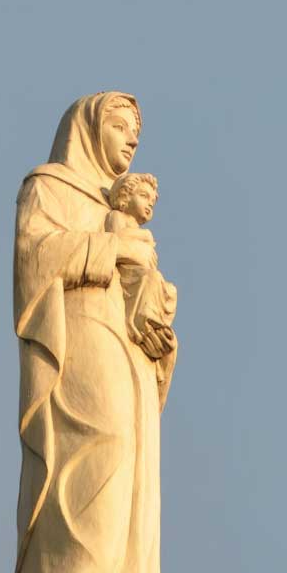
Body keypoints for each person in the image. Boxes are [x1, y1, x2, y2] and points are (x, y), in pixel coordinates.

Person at [13, 93, 177, 573]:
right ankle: (79, 572)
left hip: (126, 341)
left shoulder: (119, 204)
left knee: (137, 450)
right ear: (88, 130)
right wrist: (112, 248)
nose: (131, 138)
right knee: (102, 438)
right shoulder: (49, 187)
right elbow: (33, 255)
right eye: (120, 126)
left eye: (136, 133)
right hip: (79, 328)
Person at [104, 171, 178, 409]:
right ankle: (143, 323)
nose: (149, 204)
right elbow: (117, 238)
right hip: (131, 276)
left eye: (152, 201)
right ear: (126, 196)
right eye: (144, 196)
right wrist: (143, 237)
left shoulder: (138, 228)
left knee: (169, 290)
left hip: (144, 276)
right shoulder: (118, 217)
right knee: (148, 278)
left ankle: (155, 324)